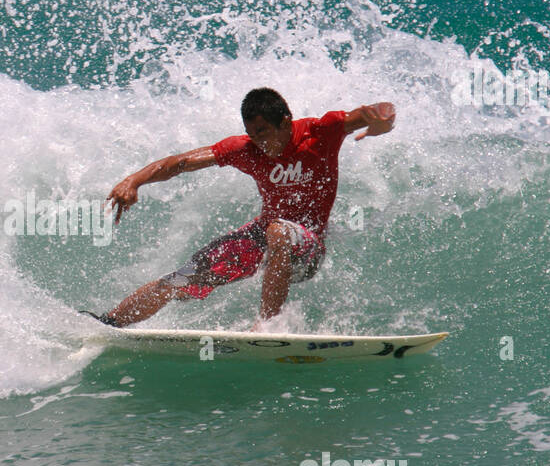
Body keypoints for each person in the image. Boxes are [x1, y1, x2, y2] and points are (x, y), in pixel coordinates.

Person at [86, 87, 395, 328]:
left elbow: (374, 112)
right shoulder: (246, 150)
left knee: (279, 230)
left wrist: (382, 119)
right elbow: (180, 163)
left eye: (263, 132)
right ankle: (111, 322)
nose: (256, 141)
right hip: (266, 236)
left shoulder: (320, 132)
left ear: (286, 121)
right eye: (251, 133)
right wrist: (134, 180)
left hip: (308, 245)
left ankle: (268, 327)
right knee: (182, 277)